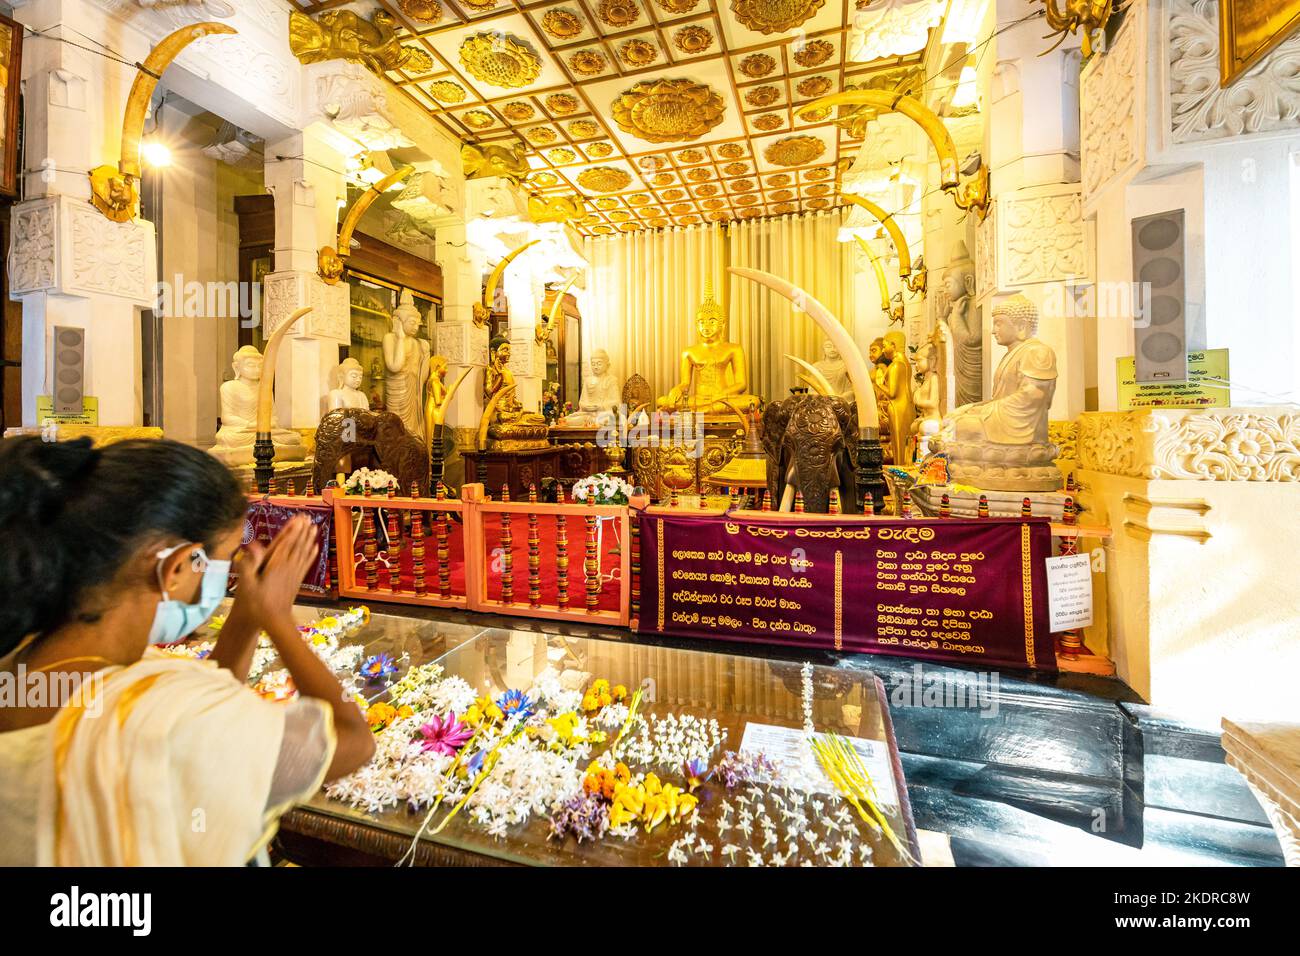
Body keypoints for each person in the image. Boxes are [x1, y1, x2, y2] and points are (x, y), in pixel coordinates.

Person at [0, 437, 374, 866]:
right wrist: (278, 619)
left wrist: (247, 618)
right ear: (176, 568)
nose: (231, 575)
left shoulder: (24, 660)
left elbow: (206, 710)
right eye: (227, 558)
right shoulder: (164, 708)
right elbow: (353, 742)